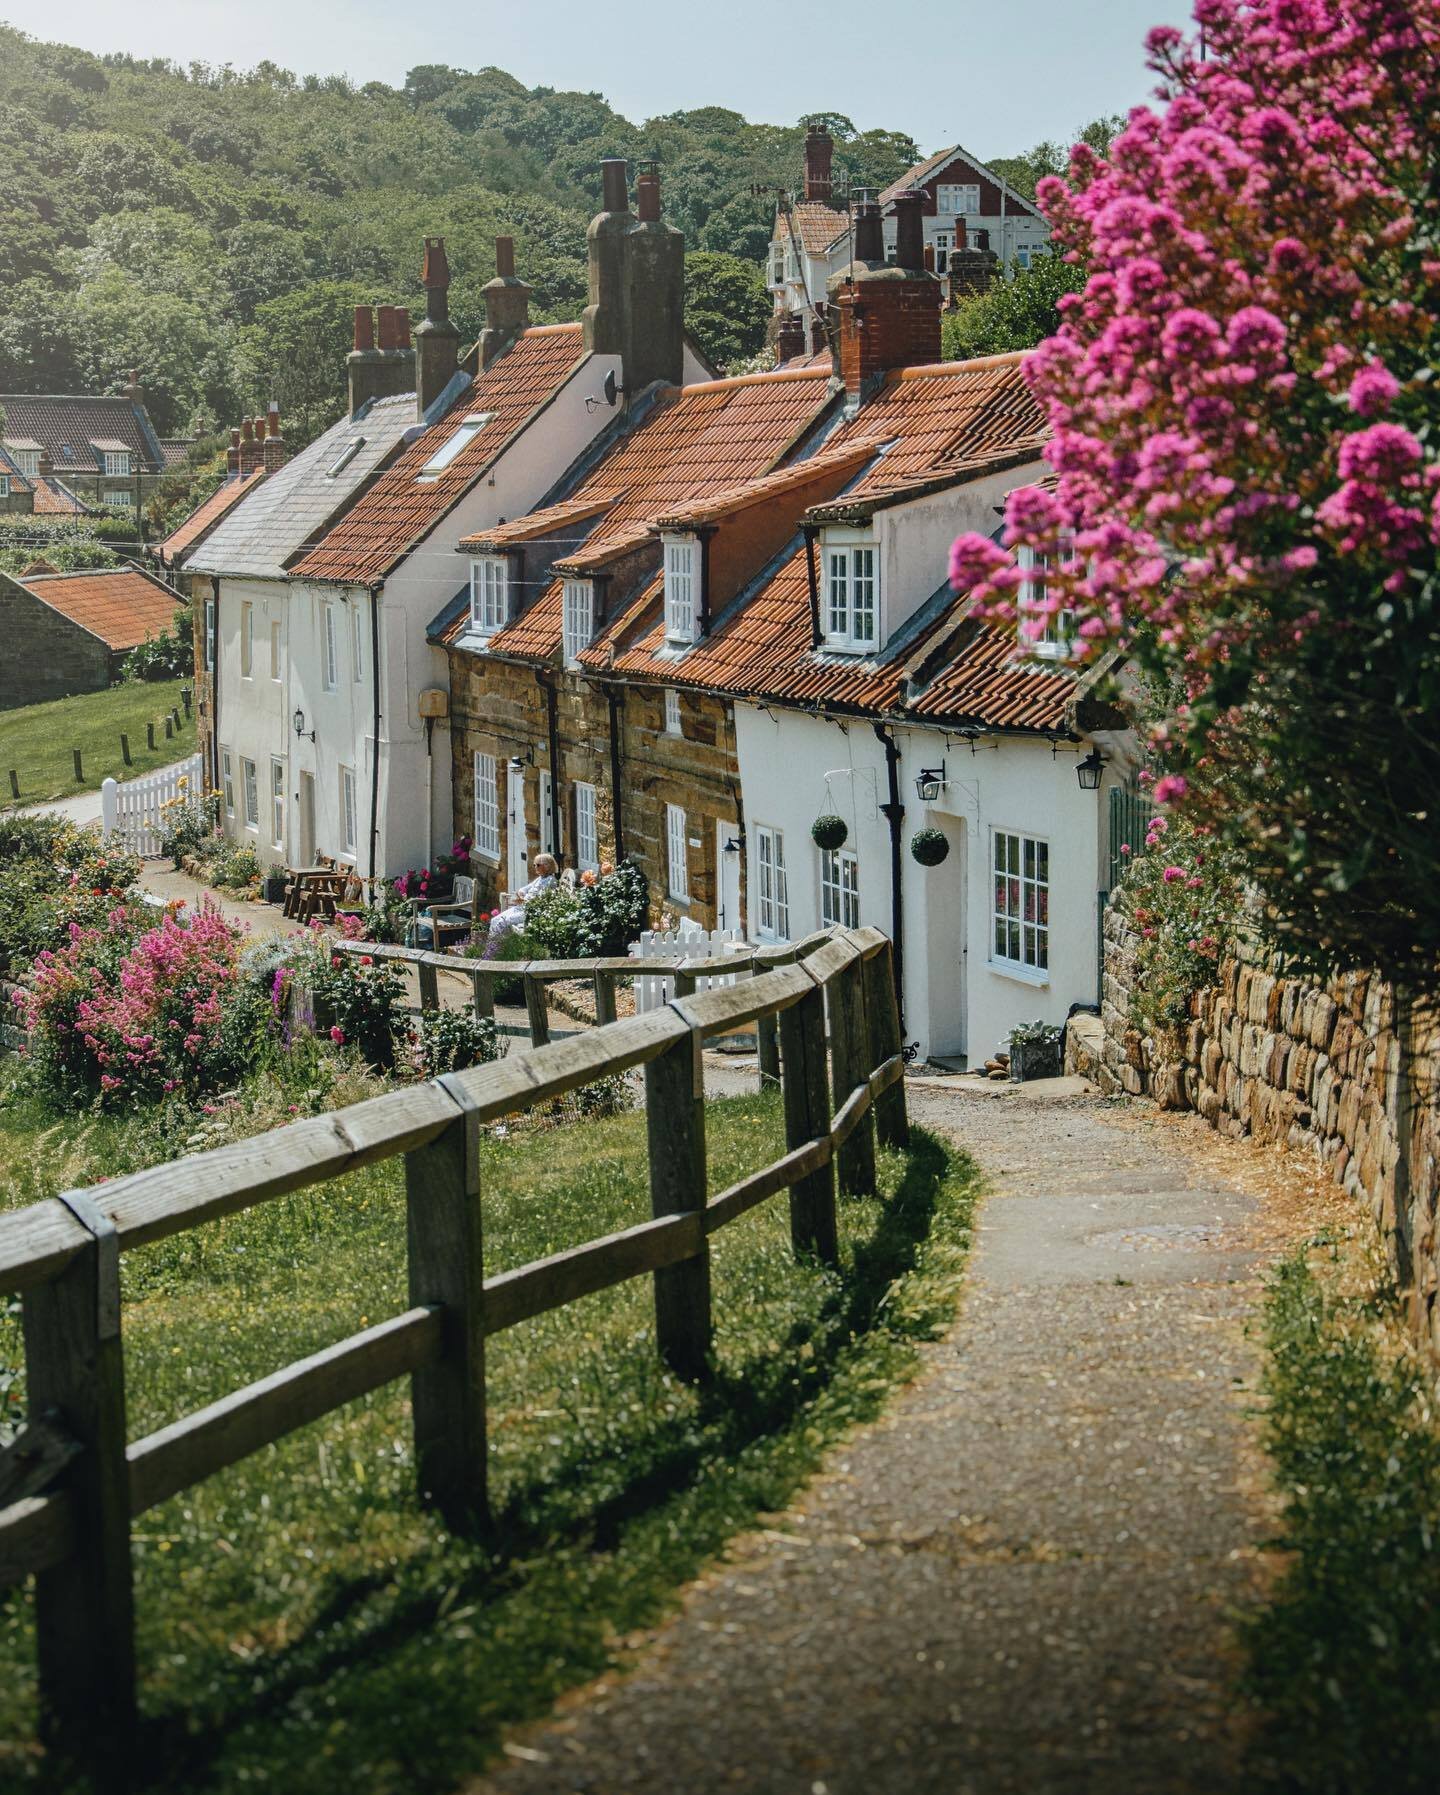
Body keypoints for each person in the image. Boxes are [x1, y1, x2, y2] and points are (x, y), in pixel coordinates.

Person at [488, 853, 558, 937]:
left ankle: (497, 947)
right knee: (494, 920)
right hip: (521, 907)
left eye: (538, 865)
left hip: (530, 912)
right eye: (534, 865)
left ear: (547, 866)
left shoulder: (550, 881)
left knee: (502, 922)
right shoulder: (540, 879)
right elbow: (523, 889)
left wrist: (523, 901)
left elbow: (540, 900)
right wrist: (521, 894)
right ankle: (493, 946)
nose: (535, 867)